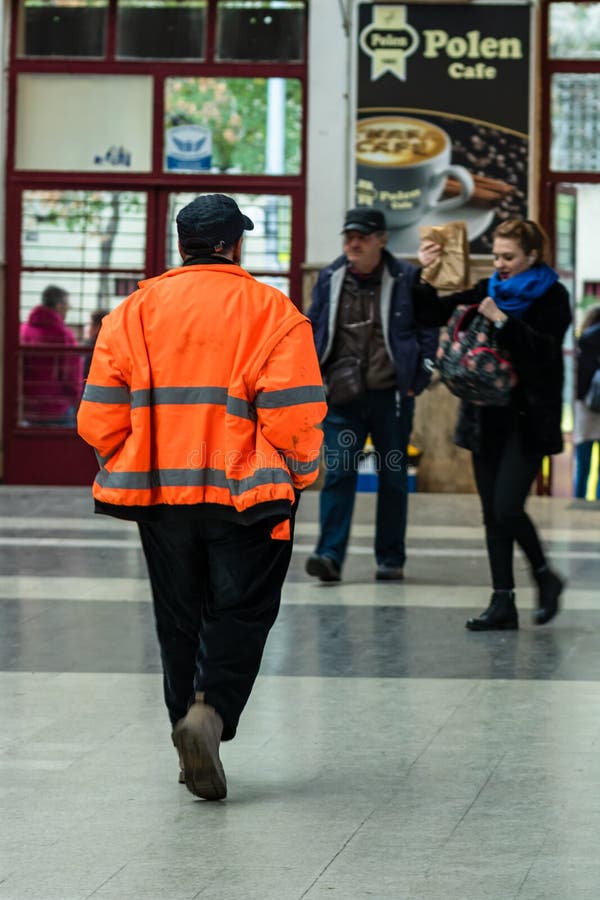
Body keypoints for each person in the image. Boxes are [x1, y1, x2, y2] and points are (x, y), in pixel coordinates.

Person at [77, 194, 327, 800]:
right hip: (249, 492)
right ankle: (209, 714)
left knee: (177, 615)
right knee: (241, 609)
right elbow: (293, 415)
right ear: (234, 244)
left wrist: (131, 458)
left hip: (161, 495)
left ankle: (181, 727)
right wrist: (301, 473)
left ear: (182, 244)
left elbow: (99, 419)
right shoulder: (273, 312)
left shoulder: (132, 313)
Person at [418, 218, 571, 630]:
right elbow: (432, 312)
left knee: (507, 508)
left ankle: (544, 575)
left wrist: (504, 321)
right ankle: (502, 600)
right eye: (498, 255)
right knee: (491, 513)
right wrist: (426, 272)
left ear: (532, 256)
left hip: (527, 420)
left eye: (509, 257)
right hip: (485, 418)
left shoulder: (553, 296)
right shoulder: (490, 287)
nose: (500, 264)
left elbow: (544, 356)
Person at [305, 207, 439, 583]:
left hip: (391, 399)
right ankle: (328, 555)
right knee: (339, 473)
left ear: (382, 239)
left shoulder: (406, 277)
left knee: (393, 476)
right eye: (349, 236)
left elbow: (429, 328)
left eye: (362, 236)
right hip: (342, 400)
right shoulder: (331, 277)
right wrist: (314, 373)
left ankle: (391, 558)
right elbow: (315, 327)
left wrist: (422, 373)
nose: (353, 243)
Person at [19, 284, 83, 426]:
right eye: (67, 305)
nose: (68, 309)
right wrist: (76, 399)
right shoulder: (64, 335)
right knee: (65, 446)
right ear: (59, 305)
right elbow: (71, 375)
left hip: (27, 407)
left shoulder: (23, 331)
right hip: (57, 408)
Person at [574, 305, 600, 499]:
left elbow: (580, 375)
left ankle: (579, 500)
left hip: (585, 408)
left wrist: (581, 397)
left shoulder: (585, 340)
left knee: (583, 464)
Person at [83, 308, 109, 380]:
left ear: (97, 327)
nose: (86, 328)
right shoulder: (113, 346)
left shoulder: (89, 346)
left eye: (88, 325)